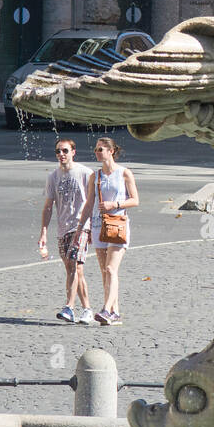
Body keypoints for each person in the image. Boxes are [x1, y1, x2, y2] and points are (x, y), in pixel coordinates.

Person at [72, 137, 138, 327]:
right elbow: (89, 203)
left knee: (111, 269)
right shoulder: (96, 176)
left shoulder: (124, 173)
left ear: (111, 151)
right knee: (104, 272)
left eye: (101, 149)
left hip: (118, 225)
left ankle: (106, 309)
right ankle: (114, 313)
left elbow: (135, 200)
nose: (97, 152)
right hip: (98, 226)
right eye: (96, 149)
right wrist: (80, 227)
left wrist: (115, 204)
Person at [39, 138, 93, 324]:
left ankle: (69, 307)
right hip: (63, 228)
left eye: (65, 151)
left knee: (74, 264)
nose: (61, 154)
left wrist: (91, 226)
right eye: (58, 151)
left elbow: (92, 201)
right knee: (75, 269)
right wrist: (44, 232)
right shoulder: (53, 177)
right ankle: (87, 310)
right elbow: (48, 206)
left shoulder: (85, 173)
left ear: (73, 152)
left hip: (81, 226)